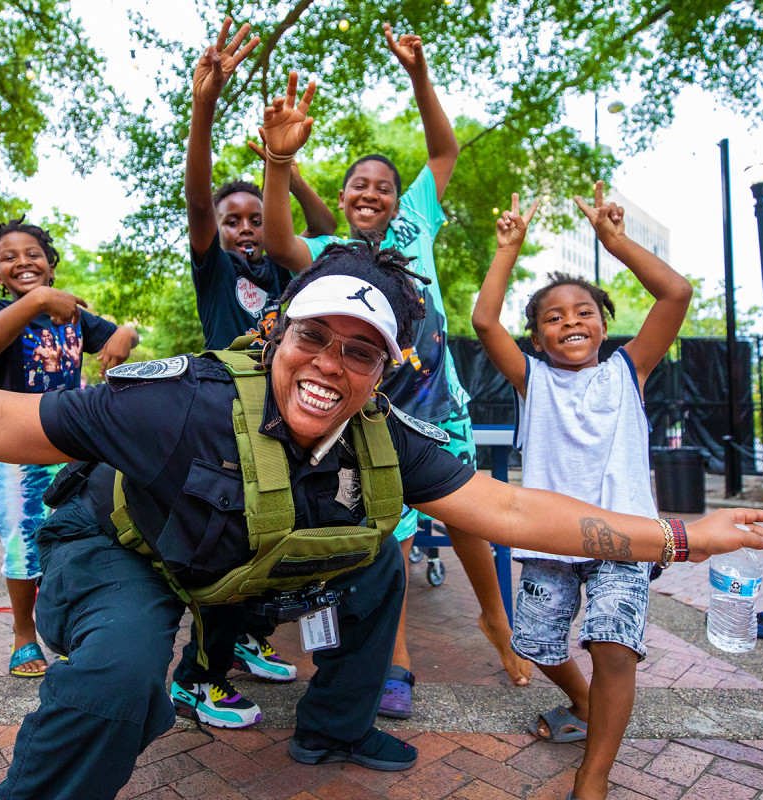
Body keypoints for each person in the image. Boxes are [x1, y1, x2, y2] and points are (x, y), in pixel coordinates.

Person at [0, 243, 763, 800]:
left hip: (254, 574)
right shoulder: (177, 398)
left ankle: (334, 724)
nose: (332, 365)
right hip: (130, 554)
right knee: (118, 686)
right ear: (279, 333)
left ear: (384, 367)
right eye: (316, 337)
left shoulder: (386, 437)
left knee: (372, 560)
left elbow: (512, 507)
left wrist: (689, 536)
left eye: (360, 351)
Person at [259, 33, 532, 720]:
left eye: (383, 185)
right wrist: (280, 165)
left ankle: (497, 622)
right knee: (393, 535)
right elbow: (278, 241)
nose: (373, 193)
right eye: (360, 185)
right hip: (375, 417)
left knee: (469, 517)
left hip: (443, 406)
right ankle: (398, 661)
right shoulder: (330, 252)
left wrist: (420, 74)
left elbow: (445, 151)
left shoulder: (415, 222)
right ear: (346, 199)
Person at [471, 185, 694, 800]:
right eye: (553, 316)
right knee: (536, 641)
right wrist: (507, 251)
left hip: (624, 539)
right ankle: (583, 701)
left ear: (603, 324)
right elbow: (485, 321)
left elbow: (675, 293)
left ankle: (591, 777)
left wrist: (616, 242)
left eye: (584, 311)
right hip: (548, 539)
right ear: (538, 338)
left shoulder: (629, 369)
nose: (570, 320)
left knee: (613, 643)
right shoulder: (532, 381)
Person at [170, 16, 340, 729]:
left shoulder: (282, 269)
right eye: (230, 218)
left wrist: (287, 169)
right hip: (226, 417)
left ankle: (246, 638)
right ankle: (195, 678)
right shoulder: (215, 273)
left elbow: (323, 230)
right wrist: (205, 105)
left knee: (278, 538)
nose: (242, 228)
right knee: (230, 540)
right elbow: (196, 193)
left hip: (285, 419)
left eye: (251, 220)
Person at [0, 217, 138, 678]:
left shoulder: (75, 316)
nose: (23, 261)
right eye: (9, 257)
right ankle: (24, 636)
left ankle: (67, 630)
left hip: (67, 443)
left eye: (32, 254)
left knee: (73, 534)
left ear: (50, 263)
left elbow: (123, 337)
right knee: (22, 540)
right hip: (12, 447)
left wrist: (126, 330)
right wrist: (40, 299)